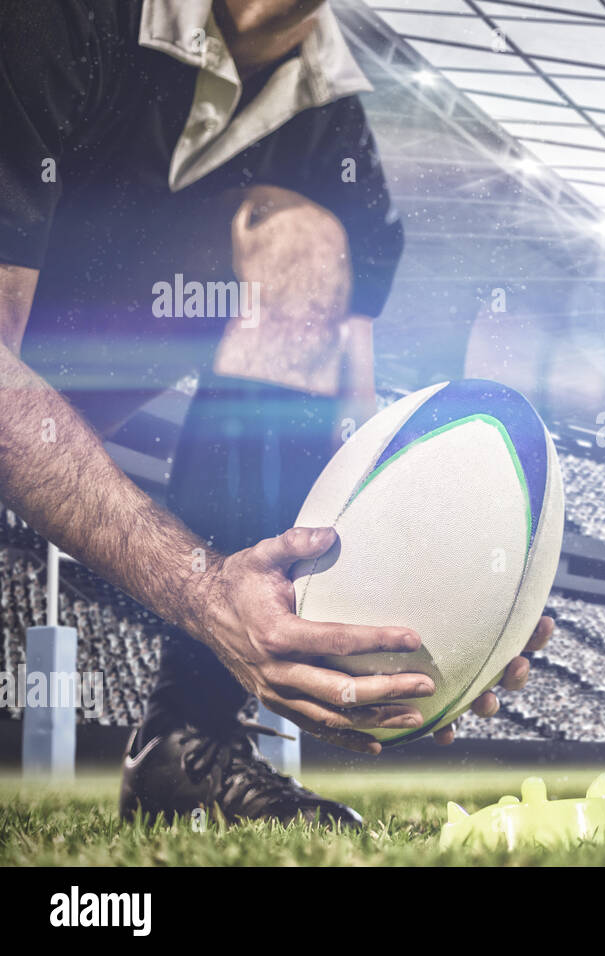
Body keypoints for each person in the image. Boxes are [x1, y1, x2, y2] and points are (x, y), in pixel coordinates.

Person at [0, 0, 551, 827]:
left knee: (301, 243)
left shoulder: (335, 134)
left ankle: (190, 743)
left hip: (70, 377)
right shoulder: (53, 20)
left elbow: (349, 442)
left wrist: (453, 579)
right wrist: (199, 588)